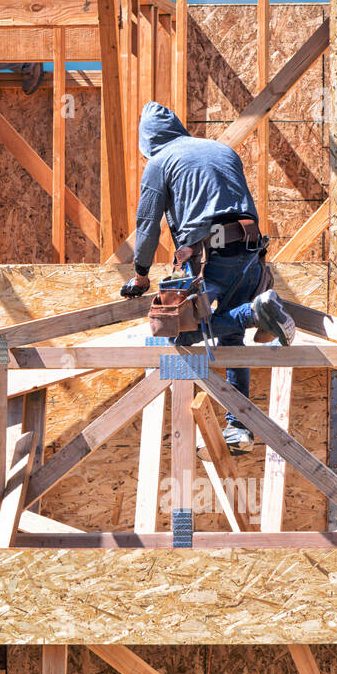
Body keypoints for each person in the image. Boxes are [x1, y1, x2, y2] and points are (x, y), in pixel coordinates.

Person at [119, 102, 295, 454]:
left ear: (148, 142)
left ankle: (256, 314)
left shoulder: (160, 162)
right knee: (230, 340)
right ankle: (239, 428)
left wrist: (139, 276)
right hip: (250, 253)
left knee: (178, 332)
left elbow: (147, 225)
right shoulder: (220, 150)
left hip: (209, 259)